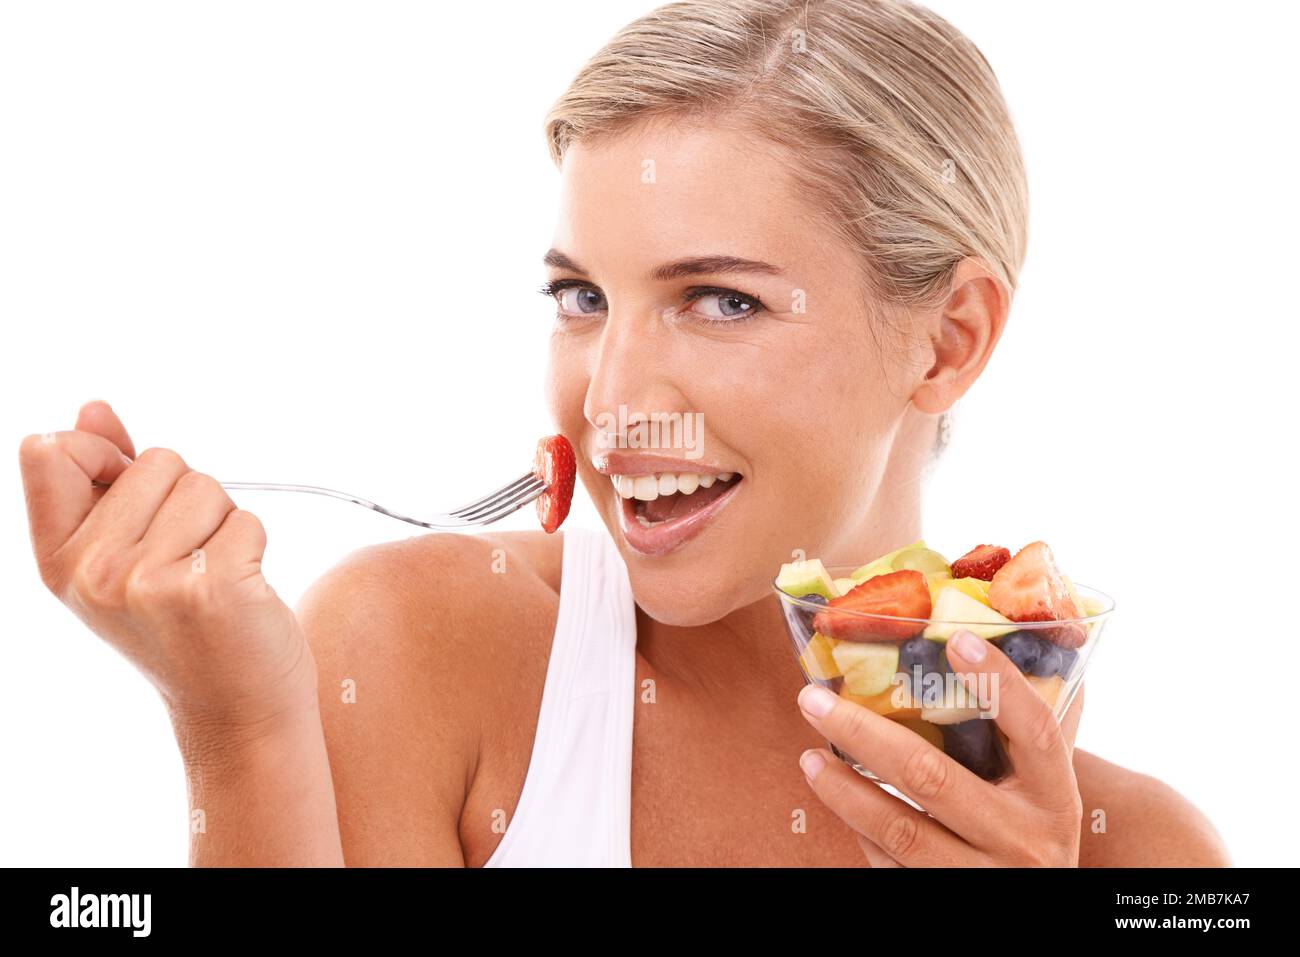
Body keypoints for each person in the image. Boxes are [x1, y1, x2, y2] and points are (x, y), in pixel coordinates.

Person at [18, 0, 1229, 866]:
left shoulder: (1148, 858)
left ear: (947, 338)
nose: (608, 399)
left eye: (722, 300)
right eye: (582, 298)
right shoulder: (423, 653)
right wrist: (236, 730)